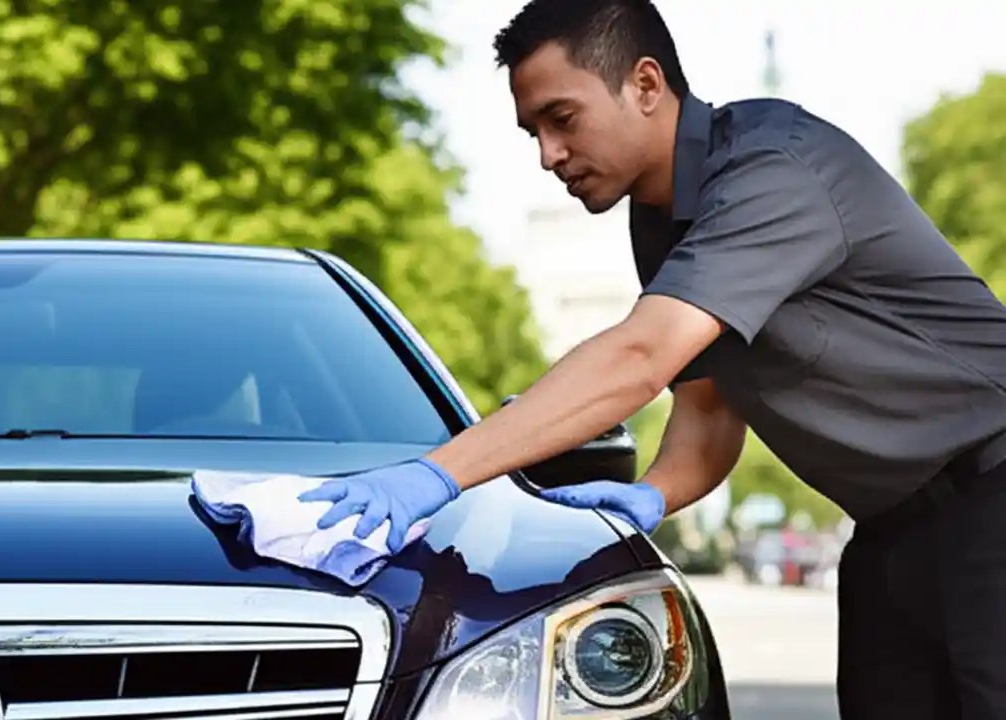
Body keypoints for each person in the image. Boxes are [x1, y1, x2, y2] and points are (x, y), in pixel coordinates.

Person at [294, 0, 1006, 716]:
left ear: (644, 84)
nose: (547, 155)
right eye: (533, 132)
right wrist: (654, 494)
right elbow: (709, 408)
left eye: (562, 119)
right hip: (890, 533)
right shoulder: (662, 217)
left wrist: (434, 475)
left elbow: (641, 357)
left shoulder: (772, 167)